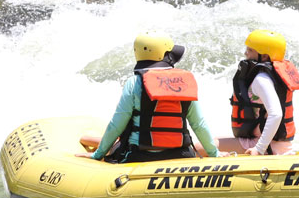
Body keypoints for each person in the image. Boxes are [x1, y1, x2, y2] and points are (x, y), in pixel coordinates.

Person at [87, 32, 223, 163]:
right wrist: (214, 154)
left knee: (115, 147)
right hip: (180, 154)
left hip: (139, 155)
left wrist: (98, 156)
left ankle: (87, 141)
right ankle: (88, 139)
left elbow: (116, 125)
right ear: (166, 55)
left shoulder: (134, 82)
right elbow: (199, 124)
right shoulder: (184, 83)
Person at [226, 29, 299, 156]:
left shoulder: (261, 79)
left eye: (250, 50)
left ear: (264, 56)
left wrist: (259, 149)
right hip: (276, 143)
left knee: (200, 147)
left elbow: (276, 114)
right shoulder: (272, 76)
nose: (245, 53)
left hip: (267, 145)